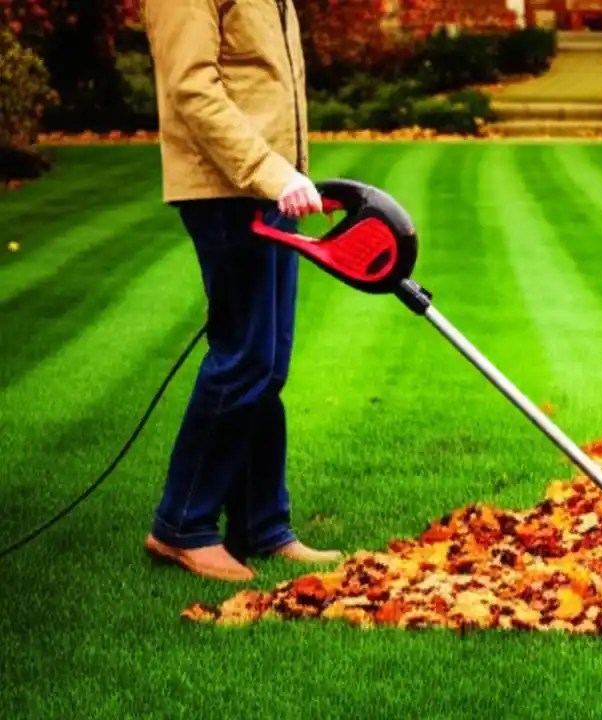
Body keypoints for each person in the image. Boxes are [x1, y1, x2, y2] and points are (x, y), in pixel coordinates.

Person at [140, 0, 340, 582]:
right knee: (244, 356)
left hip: (268, 186)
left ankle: (261, 524)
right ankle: (181, 526)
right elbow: (192, 87)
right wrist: (272, 172)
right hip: (226, 187)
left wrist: (285, 174)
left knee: (267, 362)